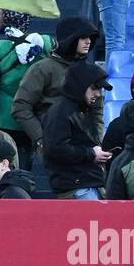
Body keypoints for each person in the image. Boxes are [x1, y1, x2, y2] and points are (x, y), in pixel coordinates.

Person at [11, 15, 99, 160]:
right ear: (70, 38)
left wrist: (96, 141)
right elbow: (20, 106)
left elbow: (97, 109)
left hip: (85, 146)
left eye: (90, 37)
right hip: (55, 146)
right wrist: (41, 139)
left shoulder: (91, 70)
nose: (88, 41)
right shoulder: (42, 69)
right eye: (83, 37)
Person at [0, 10, 52, 166]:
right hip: (32, 122)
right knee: (23, 169)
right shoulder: (45, 45)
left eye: (1, 14)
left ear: (8, 18)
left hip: (0, 122)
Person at [42, 62, 113, 200]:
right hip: (77, 189)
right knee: (90, 222)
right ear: (80, 85)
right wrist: (91, 153)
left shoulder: (81, 109)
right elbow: (54, 149)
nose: (98, 94)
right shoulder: (61, 112)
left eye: (99, 89)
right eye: (94, 88)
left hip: (86, 185)